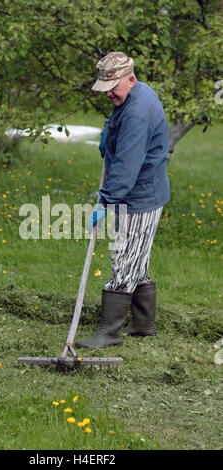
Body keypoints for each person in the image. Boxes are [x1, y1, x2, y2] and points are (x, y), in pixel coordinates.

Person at [75, 51, 170, 349]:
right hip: (139, 193)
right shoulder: (134, 95)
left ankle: (110, 332)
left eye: (113, 88)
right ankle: (143, 325)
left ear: (130, 78)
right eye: (106, 88)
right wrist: (109, 132)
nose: (109, 94)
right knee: (137, 262)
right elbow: (120, 128)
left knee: (124, 261)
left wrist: (106, 201)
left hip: (139, 197)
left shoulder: (138, 112)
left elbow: (126, 166)